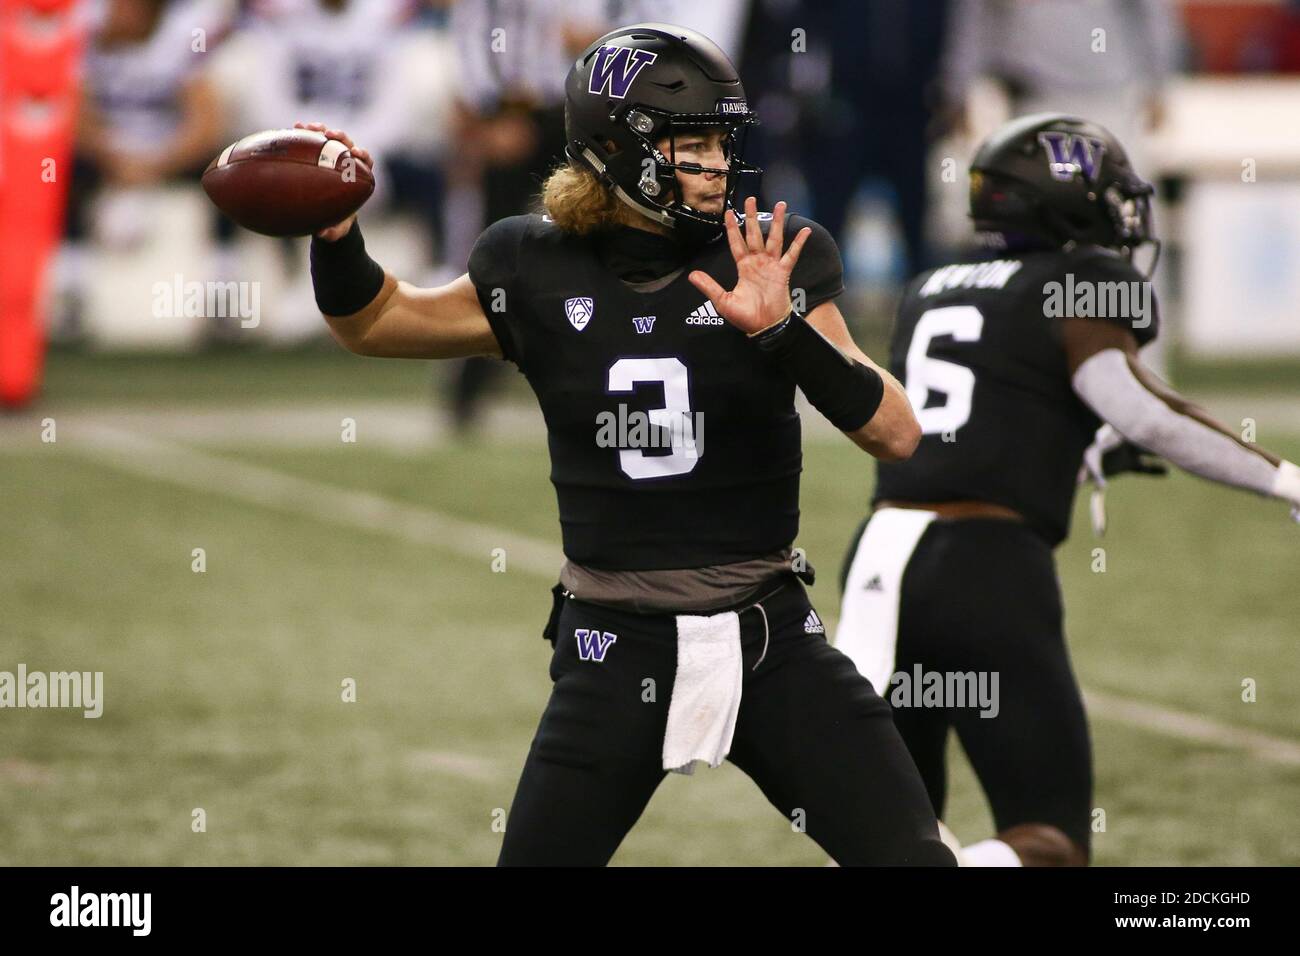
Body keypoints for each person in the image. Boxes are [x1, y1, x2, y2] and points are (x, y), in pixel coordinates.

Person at [302, 23, 953, 866]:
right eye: (694, 143)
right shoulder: (528, 262)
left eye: (723, 141)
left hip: (768, 635)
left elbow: (896, 432)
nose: (718, 162)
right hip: (614, 644)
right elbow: (378, 323)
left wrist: (784, 332)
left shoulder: (765, 255)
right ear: (620, 151)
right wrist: (336, 236)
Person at [834, 113, 1300, 867]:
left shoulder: (929, 286)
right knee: (1047, 843)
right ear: (1065, 202)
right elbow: (1143, 412)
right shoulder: (1080, 283)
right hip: (984, 569)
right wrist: (1285, 479)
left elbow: (988, 410)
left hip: (878, 569)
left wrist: (1074, 449)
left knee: (897, 842)